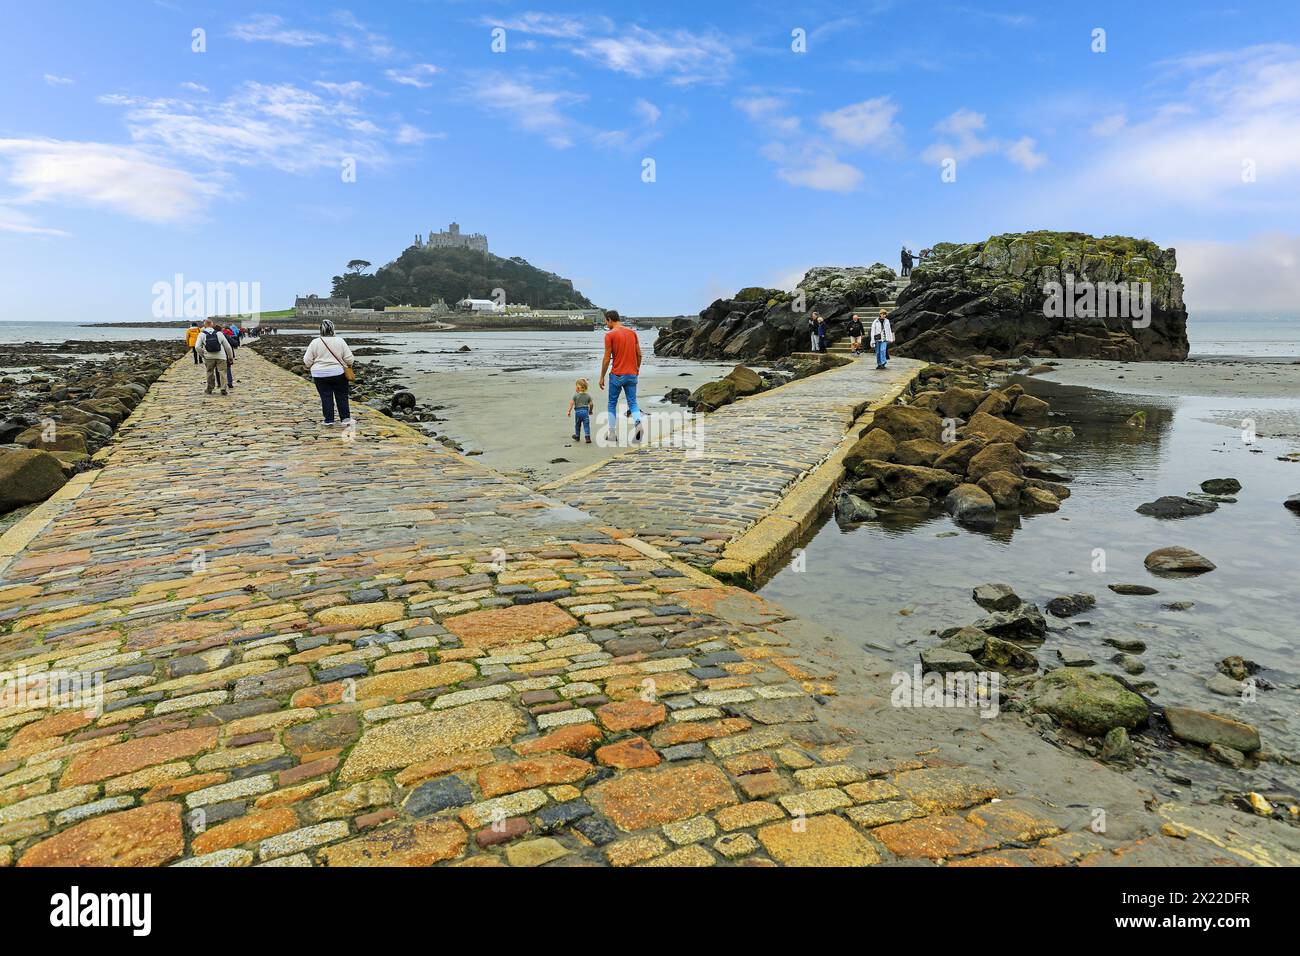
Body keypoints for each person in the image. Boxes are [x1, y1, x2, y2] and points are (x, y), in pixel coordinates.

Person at [598, 309, 642, 443]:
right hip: (632, 374)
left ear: (610, 319)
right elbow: (639, 354)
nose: (606, 324)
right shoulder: (632, 333)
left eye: (606, 321)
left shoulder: (610, 335)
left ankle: (612, 433)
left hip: (617, 375)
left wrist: (602, 376)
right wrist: (636, 369)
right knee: (633, 402)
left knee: (612, 403)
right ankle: (638, 424)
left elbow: (606, 359)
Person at [303, 318, 355, 426]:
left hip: (319, 374)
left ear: (320, 330)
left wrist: (314, 365)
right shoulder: (340, 341)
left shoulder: (315, 342)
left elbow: (307, 361)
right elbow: (350, 359)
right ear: (333, 329)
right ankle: (345, 419)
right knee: (341, 396)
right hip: (338, 373)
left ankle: (328, 420)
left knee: (326, 396)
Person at [196, 319, 234, 395]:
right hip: (221, 357)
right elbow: (228, 347)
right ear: (212, 325)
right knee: (222, 372)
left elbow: (197, 347)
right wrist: (230, 357)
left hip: (209, 357)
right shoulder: (219, 333)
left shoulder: (202, 334)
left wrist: (203, 355)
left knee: (210, 372)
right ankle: (223, 388)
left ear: (205, 325)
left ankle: (209, 389)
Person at [568, 378, 593, 444]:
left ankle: (577, 436)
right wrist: (590, 411)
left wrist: (569, 411)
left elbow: (571, 403)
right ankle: (587, 437)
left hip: (578, 413)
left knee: (577, 425)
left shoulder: (575, 395)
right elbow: (591, 404)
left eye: (576, 387)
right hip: (585, 412)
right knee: (586, 425)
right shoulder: (588, 396)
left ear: (578, 388)